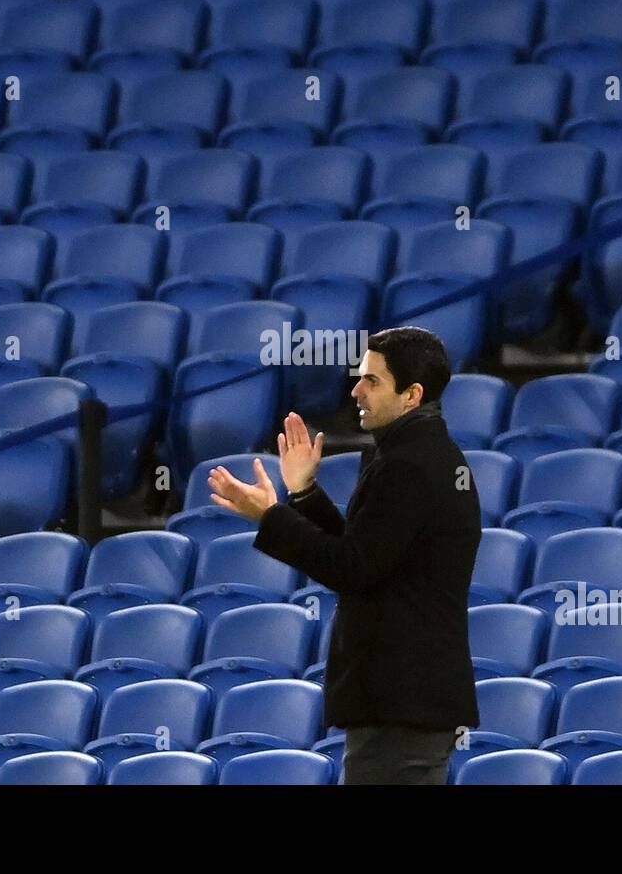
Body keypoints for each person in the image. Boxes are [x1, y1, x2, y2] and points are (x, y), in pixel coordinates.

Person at [206, 326, 482, 784]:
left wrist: (271, 516)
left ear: (411, 395)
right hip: (405, 704)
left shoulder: (409, 466)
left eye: (372, 380)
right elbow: (368, 554)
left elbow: (353, 569)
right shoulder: (416, 456)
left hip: (401, 705)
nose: (355, 390)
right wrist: (304, 493)